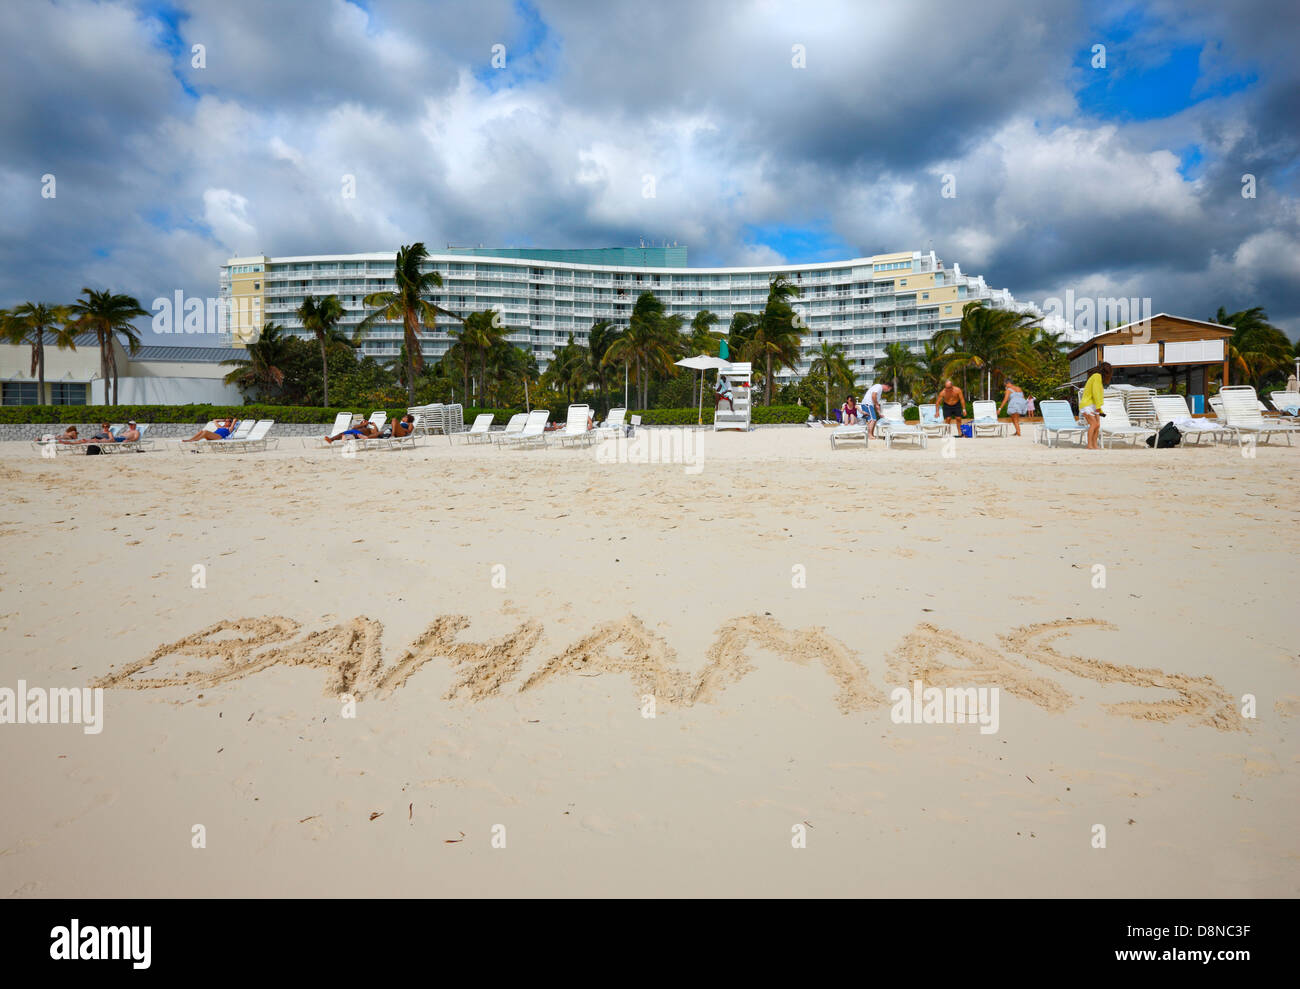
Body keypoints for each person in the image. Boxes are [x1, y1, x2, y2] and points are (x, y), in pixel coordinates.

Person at [1080, 361, 1112, 450]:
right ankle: (1089, 445)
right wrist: (1098, 407)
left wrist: (1099, 407)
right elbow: (1096, 393)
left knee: (1097, 425)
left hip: (1093, 404)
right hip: (1087, 404)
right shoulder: (1097, 377)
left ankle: (1095, 445)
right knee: (1093, 424)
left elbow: (1097, 394)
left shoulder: (1097, 377)